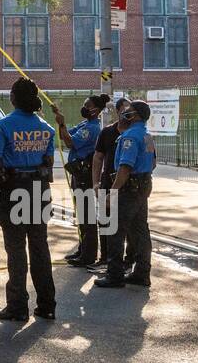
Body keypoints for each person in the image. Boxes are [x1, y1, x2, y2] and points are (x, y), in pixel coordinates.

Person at [0, 77, 57, 322]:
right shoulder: (47, 128)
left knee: (16, 249)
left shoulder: (4, 125)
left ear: (14, 98)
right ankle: (47, 304)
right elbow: (49, 162)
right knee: (40, 247)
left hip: (14, 189)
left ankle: (17, 307)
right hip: (39, 189)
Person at [95, 99, 155, 289]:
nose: (124, 113)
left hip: (127, 189)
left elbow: (125, 168)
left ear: (135, 115)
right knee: (141, 231)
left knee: (115, 231)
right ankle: (142, 273)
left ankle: (115, 275)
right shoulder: (147, 135)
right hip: (143, 186)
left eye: (128, 111)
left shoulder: (129, 137)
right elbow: (153, 163)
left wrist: (112, 192)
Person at [52, 93, 109, 268]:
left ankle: (88, 255)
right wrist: (60, 119)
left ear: (96, 110)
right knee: (82, 214)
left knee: (87, 215)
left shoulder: (92, 129)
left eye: (87, 105)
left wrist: (62, 123)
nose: (84, 107)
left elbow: (70, 143)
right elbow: (64, 137)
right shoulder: (85, 124)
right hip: (78, 173)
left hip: (84, 174)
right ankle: (83, 249)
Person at [88, 97, 130, 272]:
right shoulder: (107, 132)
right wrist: (96, 183)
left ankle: (127, 261)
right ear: (117, 111)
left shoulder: (134, 133)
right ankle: (105, 258)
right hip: (107, 182)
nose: (127, 115)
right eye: (124, 111)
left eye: (130, 112)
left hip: (127, 185)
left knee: (126, 224)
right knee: (105, 221)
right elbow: (98, 157)